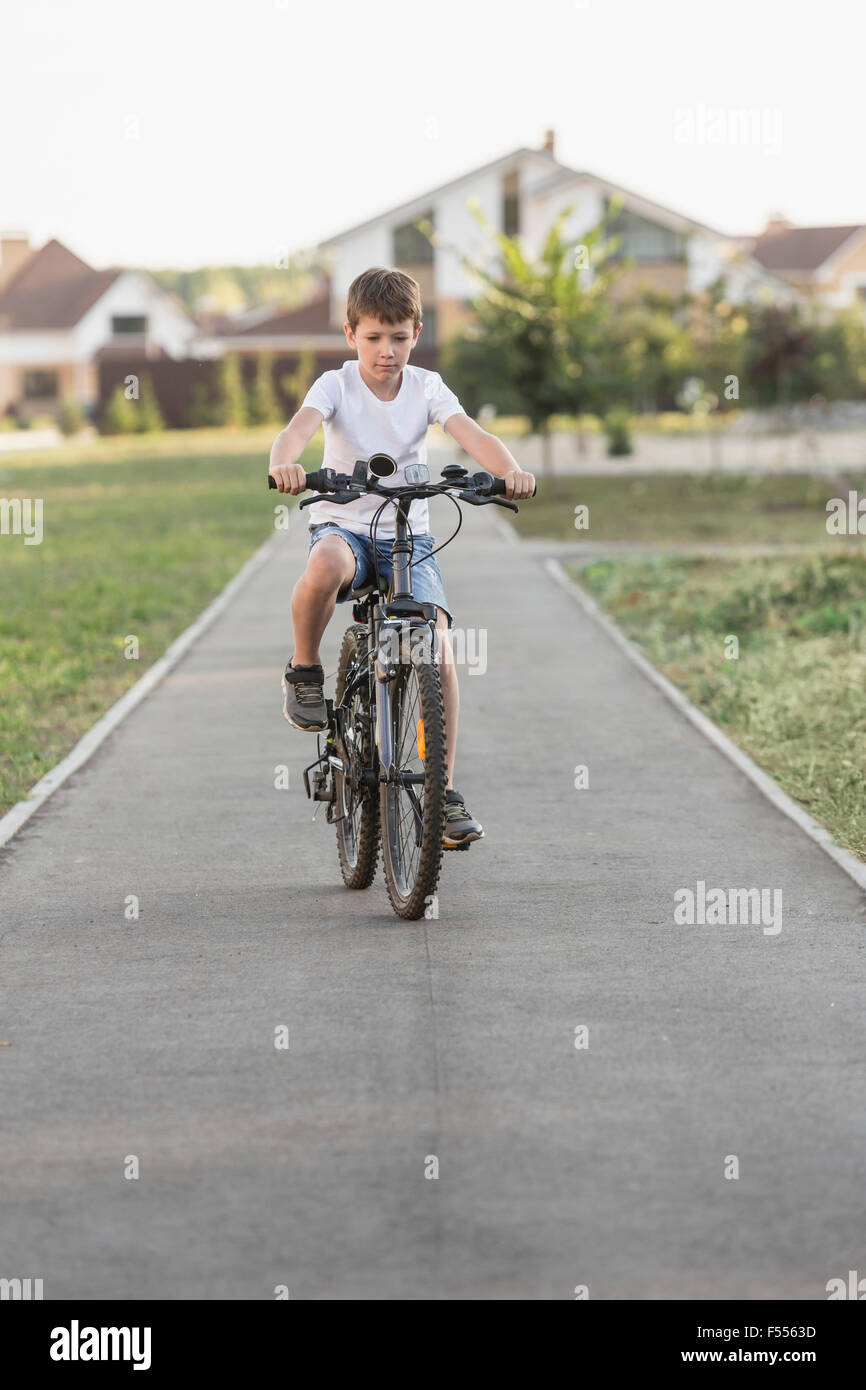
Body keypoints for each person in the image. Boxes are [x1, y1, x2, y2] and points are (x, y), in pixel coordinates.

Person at [268, 266, 535, 849]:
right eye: (373, 338)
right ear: (350, 335)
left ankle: (440, 794)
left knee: (435, 649)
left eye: (399, 337)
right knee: (324, 568)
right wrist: (284, 463)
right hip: (345, 526)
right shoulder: (336, 385)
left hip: (406, 537)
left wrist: (508, 471)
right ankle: (306, 668)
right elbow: (295, 432)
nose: (386, 352)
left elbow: (473, 435)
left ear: (417, 331)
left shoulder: (427, 387)